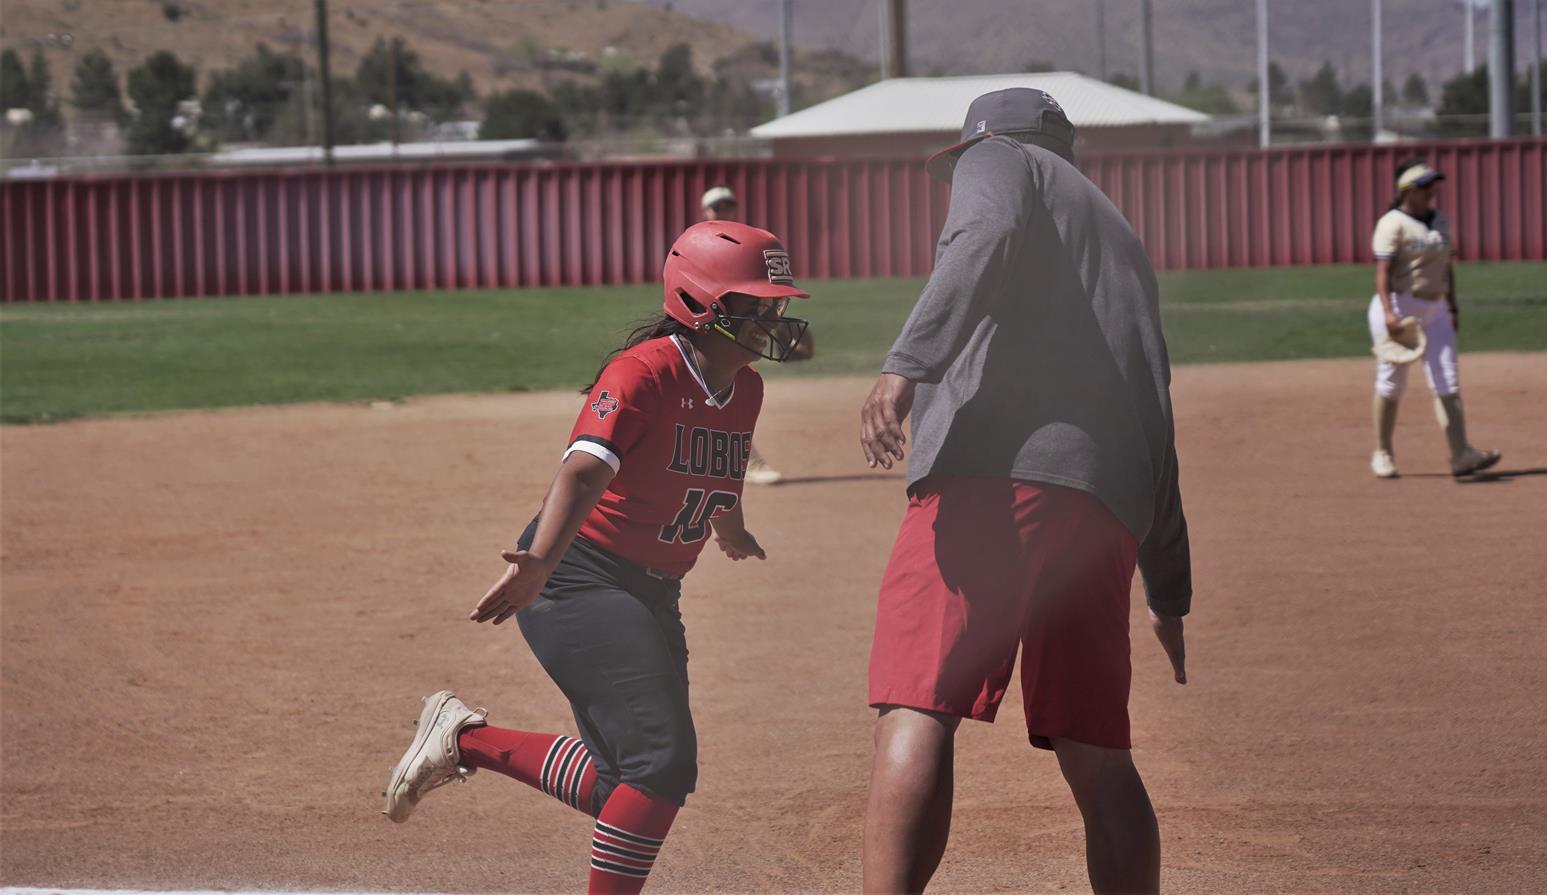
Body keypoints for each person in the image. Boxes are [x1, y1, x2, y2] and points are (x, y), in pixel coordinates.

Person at [381, 220, 810, 894]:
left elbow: (718, 474)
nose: (768, 318)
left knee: (626, 776)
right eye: (750, 304)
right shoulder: (643, 372)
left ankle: (461, 738)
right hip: (578, 578)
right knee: (662, 763)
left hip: (651, 589)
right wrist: (539, 563)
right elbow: (584, 471)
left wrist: (731, 528)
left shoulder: (746, 389)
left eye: (773, 305)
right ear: (700, 303)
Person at [857, 87, 1192, 895]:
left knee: (918, 703)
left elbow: (987, 233)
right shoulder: (1118, 233)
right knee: (1098, 748)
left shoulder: (998, 159)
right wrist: (1169, 585)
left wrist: (907, 366)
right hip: (1102, 509)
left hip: (994, 477)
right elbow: (1155, 402)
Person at [1368, 158, 1500, 479]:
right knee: (1392, 382)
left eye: (1433, 184)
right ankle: (1382, 452)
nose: (1433, 191)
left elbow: (1446, 268)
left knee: (1447, 381)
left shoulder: (1441, 220)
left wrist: (1452, 308)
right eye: (1426, 185)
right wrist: (1388, 313)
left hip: (1436, 309)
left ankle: (1461, 455)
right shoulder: (1392, 223)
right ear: (1408, 191)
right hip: (1400, 307)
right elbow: (1382, 273)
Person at [701, 185, 816, 484]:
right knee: (715, 387)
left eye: (728, 206)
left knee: (724, 387)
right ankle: (745, 461)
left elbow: (757, 294)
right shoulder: (700, 243)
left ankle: (736, 459)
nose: (723, 212)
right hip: (711, 323)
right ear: (706, 211)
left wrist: (776, 321)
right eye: (717, 207)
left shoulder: (748, 243)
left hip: (735, 323)